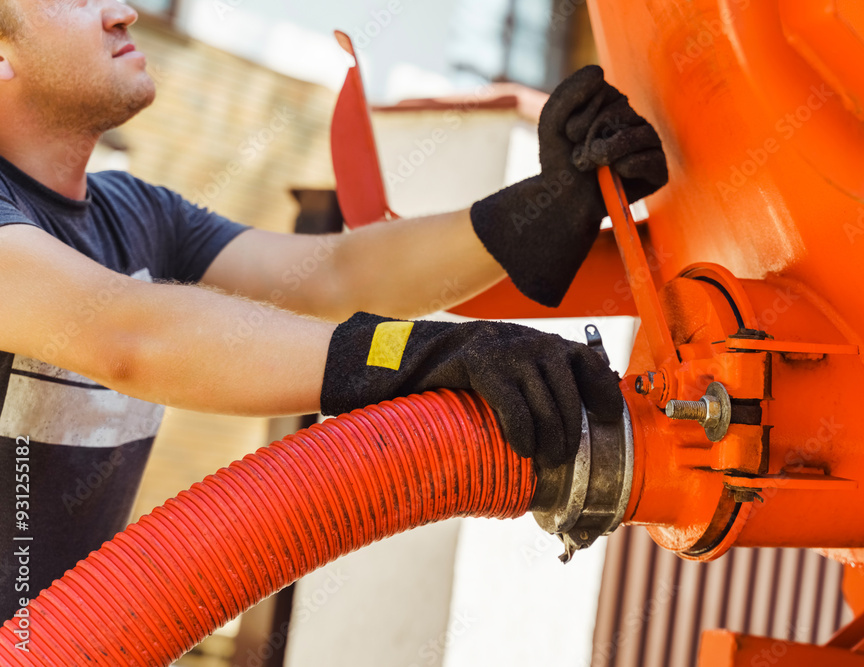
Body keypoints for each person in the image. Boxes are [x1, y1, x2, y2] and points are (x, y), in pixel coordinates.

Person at [0, 0, 667, 621]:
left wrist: (546, 209)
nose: (124, 11)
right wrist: (424, 354)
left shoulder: (138, 214)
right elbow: (128, 334)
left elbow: (333, 276)